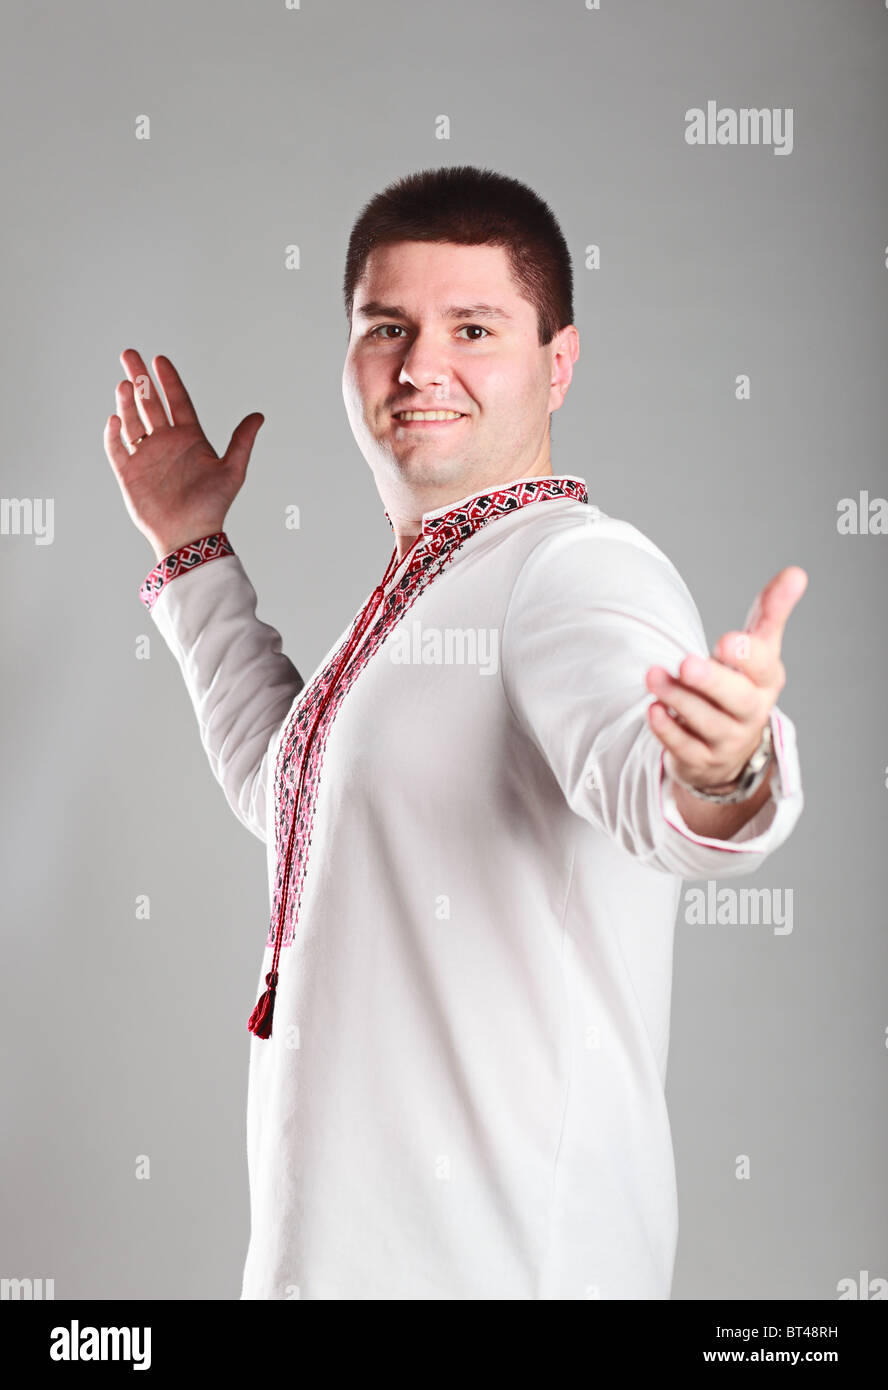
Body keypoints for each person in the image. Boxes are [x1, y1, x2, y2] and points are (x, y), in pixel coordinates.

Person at [104, 164, 806, 1300]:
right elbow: (298, 791)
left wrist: (722, 767)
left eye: (473, 327)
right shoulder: (420, 596)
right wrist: (191, 543)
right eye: (389, 327)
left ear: (557, 364)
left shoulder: (574, 570)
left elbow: (657, 788)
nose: (423, 366)